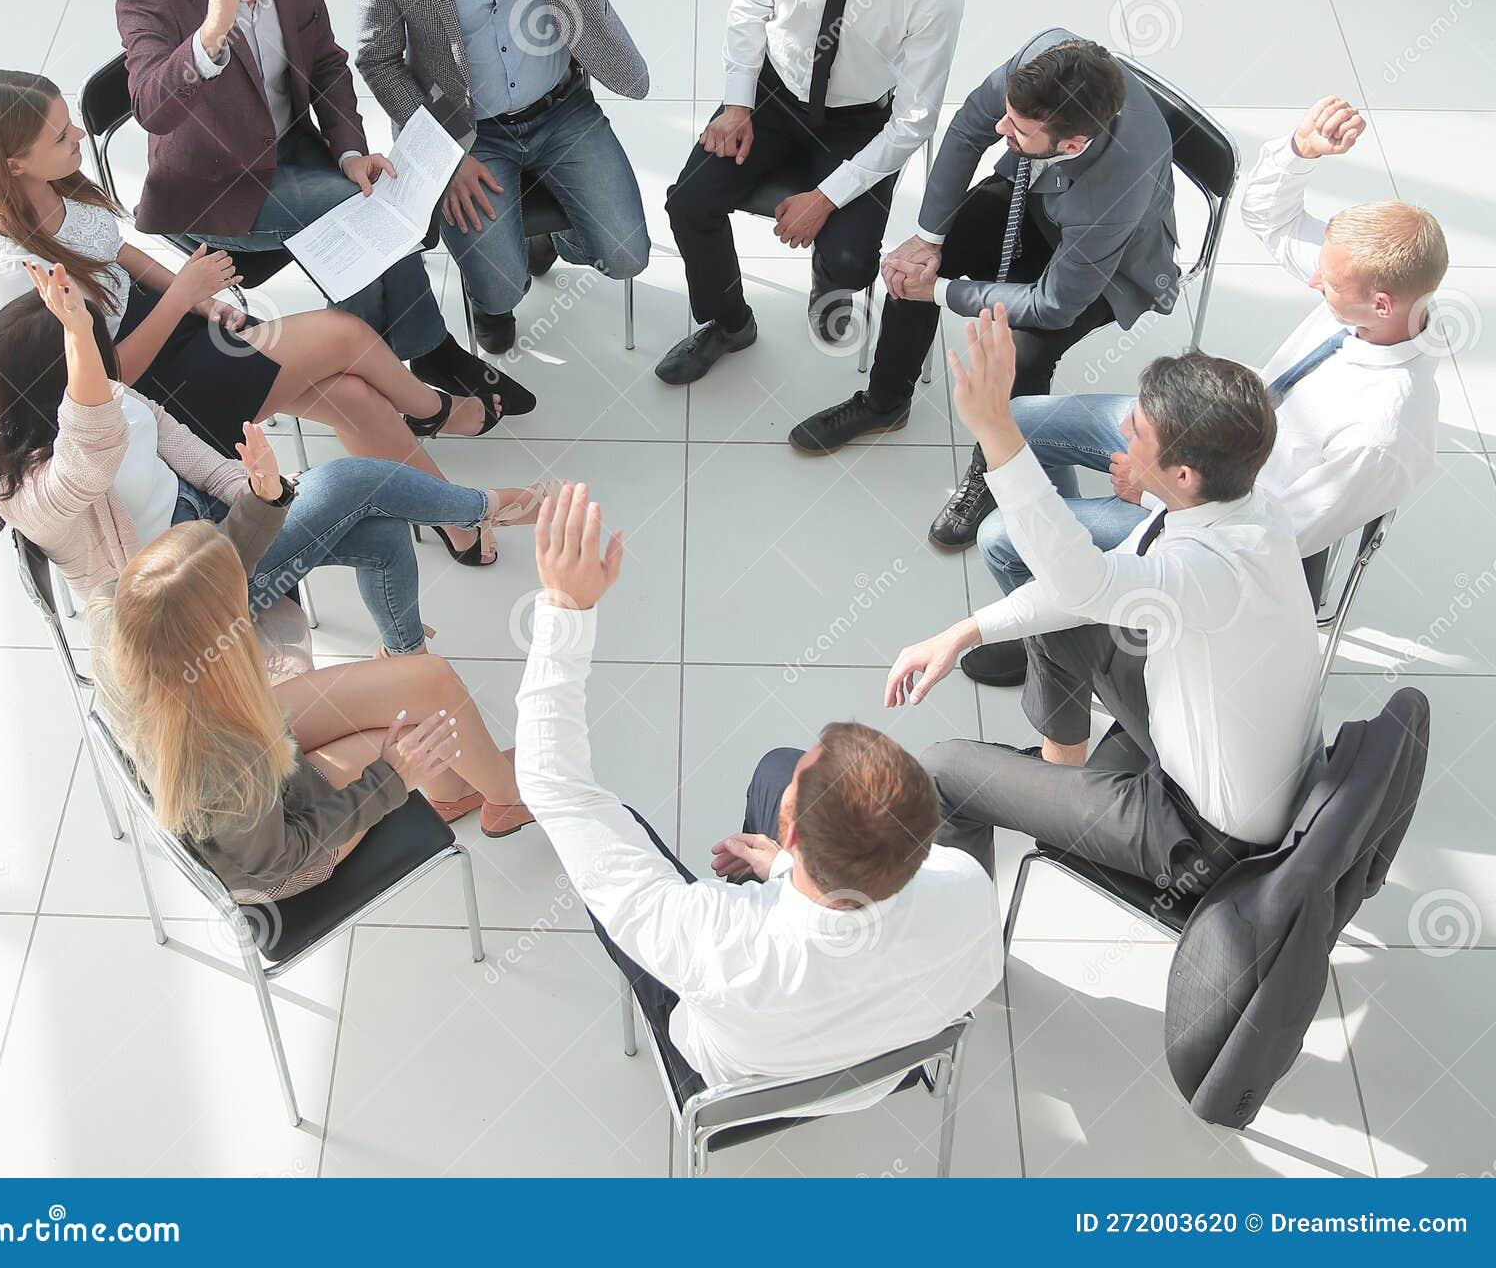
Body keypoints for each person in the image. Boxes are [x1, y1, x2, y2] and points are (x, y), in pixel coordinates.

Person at [515, 483, 1001, 1096]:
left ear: (790, 832)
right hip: (883, 1069)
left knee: (613, 856)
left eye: (800, 790)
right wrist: (781, 875)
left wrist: (564, 607)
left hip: (734, 1079)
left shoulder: (709, 938)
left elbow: (553, 788)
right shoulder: (967, 892)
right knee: (776, 763)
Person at [962, 95, 1448, 687]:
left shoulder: (1383, 433)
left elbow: (1267, 538)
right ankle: (1069, 586)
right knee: (1022, 420)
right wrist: (1299, 154)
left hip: (1213, 518)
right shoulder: (1365, 297)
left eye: (1330, 281)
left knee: (1000, 537)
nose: (1315, 278)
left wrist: (1156, 491)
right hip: (1204, 432)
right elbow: (1271, 220)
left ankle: (1063, 655)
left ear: (1381, 303)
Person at [887, 313, 1323, 899]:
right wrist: (964, 633)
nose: (1122, 427)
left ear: (1185, 474)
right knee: (1071, 626)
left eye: (1137, 430)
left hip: (1199, 834)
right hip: (1236, 769)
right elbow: (1086, 590)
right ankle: (1062, 776)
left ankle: (956, 955)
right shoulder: (1247, 509)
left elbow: (1079, 578)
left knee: (940, 772)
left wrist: (996, 430)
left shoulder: (1209, 570)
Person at [0, 266, 558, 669]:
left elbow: (200, 463)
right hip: (182, 591)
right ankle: (485, 509)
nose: (111, 361)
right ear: (58, 379)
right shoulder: (29, 488)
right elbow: (92, 451)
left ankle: (404, 659)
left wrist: (259, 489)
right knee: (349, 481)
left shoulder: (115, 394)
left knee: (380, 534)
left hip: (222, 530)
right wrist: (80, 341)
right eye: (94, 353)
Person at [116, 0, 531, 417]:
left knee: (365, 193)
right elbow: (149, 108)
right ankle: (416, 368)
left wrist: (351, 151)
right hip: (218, 189)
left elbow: (328, 59)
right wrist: (214, 30)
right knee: (353, 214)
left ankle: (391, 379)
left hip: (298, 152)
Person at [0, 69, 501, 467]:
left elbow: (117, 254)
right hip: (144, 392)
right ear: (13, 163)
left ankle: (452, 517)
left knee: (356, 399)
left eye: (71, 124)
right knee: (346, 336)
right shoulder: (11, 269)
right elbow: (101, 382)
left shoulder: (53, 187)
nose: (79, 137)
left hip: (163, 324)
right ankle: (437, 412)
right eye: (60, 137)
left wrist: (197, 299)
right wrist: (181, 298)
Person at [791, 30, 1179, 545]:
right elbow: (968, 131)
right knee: (914, 269)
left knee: (1023, 348)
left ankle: (996, 470)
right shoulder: (1042, 59)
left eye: (1016, 128)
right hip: (1037, 192)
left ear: (1073, 144)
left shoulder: (1115, 189)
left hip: (1107, 264)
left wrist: (945, 291)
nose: (1001, 127)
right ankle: (885, 402)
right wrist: (929, 242)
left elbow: (1054, 304)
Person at [357, 0, 675, 354]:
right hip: (470, 133)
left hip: (561, 107)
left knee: (626, 255)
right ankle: (494, 295)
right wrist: (444, 154)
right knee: (500, 289)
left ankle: (548, 235)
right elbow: (376, 58)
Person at [656, 0, 963, 384]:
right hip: (772, 96)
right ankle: (729, 324)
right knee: (688, 203)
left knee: (850, 262)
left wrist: (824, 198)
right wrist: (736, 102)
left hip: (859, 122)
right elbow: (749, 0)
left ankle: (831, 284)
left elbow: (914, 120)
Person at [91, 518, 531, 905]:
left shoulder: (123, 617)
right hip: (288, 853)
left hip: (244, 753)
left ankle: (459, 792)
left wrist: (263, 505)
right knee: (408, 728)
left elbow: (201, 582)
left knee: (425, 680)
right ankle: (501, 796)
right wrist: (391, 778)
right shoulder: (225, 761)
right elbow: (279, 857)